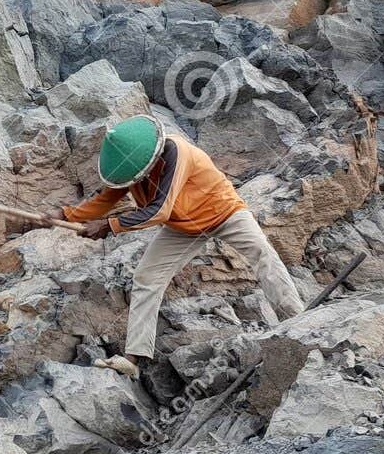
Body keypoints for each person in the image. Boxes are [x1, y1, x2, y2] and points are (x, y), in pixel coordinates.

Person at [59, 114, 304, 376]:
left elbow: (159, 211)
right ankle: (133, 358)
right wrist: (64, 215)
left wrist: (109, 226)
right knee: (146, 278)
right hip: (185, 227)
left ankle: (299, 324)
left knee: (262, 254)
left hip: (224, 212)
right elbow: (105, 199)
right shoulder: (133, 170)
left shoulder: (176, 153)